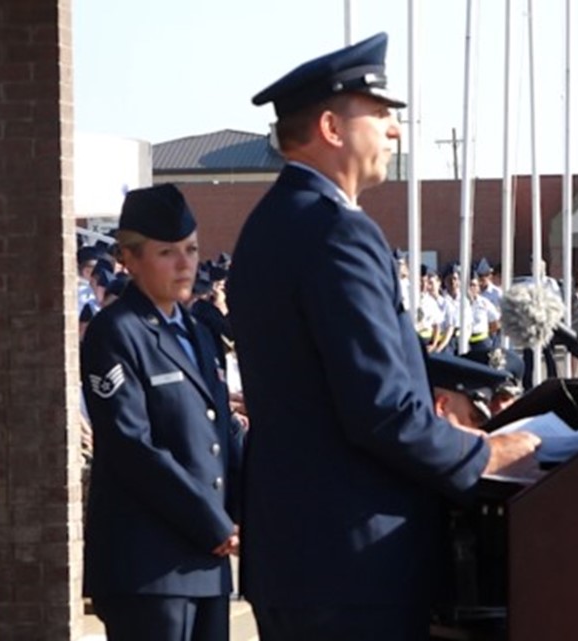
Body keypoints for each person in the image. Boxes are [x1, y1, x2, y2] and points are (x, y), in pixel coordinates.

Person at [228, 32, 539, 641]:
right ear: (331, 127)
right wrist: (487, 454)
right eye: (380, 114)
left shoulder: (271, 224)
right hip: (355, 565)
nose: (395, 132)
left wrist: (456, 395)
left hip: (305, 558)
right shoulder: (335, 232)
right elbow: (379, 411)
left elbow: (339, 370)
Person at [80, 184, 242, 640]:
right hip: (148, 566)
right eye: (167, 252)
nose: (185, 263)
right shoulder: (116, 332)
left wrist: (243, 510)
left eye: (190, 249)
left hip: (206, 562)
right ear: (129, 259)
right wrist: (212, 522)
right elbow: (132, 445)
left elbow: (220, 430)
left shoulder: (199, 331)